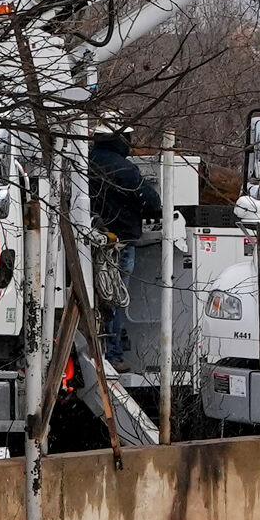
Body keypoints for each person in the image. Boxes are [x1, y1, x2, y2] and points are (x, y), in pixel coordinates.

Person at [88, 126, 161, 370]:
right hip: (119, 242)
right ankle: (112, 354)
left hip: (88, 240)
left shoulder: (83, 162)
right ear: (121, 138)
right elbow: (149, 200)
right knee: (115, 296)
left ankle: (94, 350)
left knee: (95, 295)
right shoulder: (124, 169)